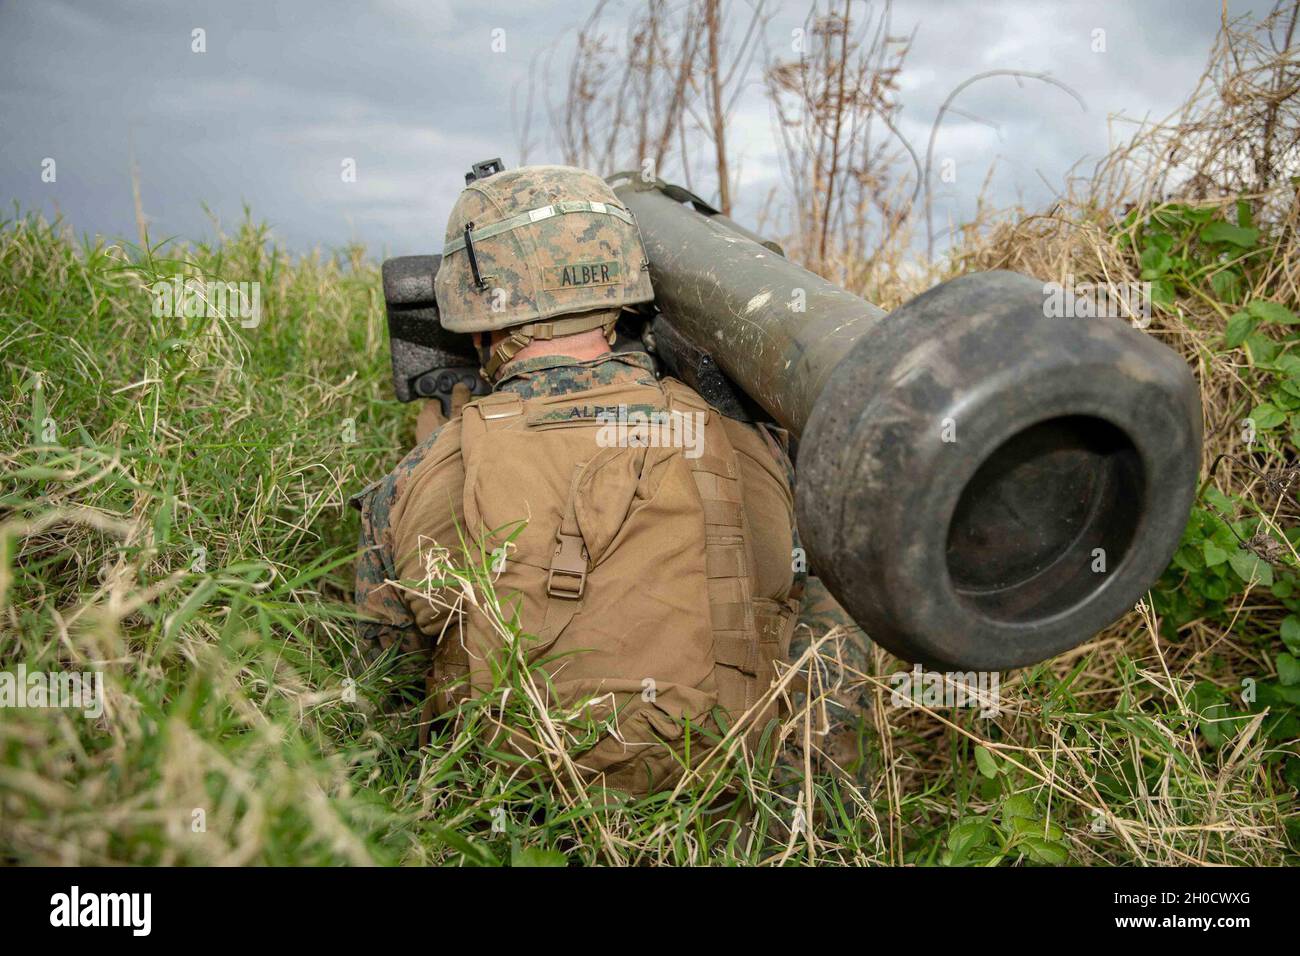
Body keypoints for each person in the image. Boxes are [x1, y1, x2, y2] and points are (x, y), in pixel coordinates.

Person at [353, 162, 867, 795]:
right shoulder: (753, 447)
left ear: (471, 312)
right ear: (624, 290)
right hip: (727, 814)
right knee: (823, 601)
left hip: (510, 825)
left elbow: (384, 703)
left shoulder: (412, 483)